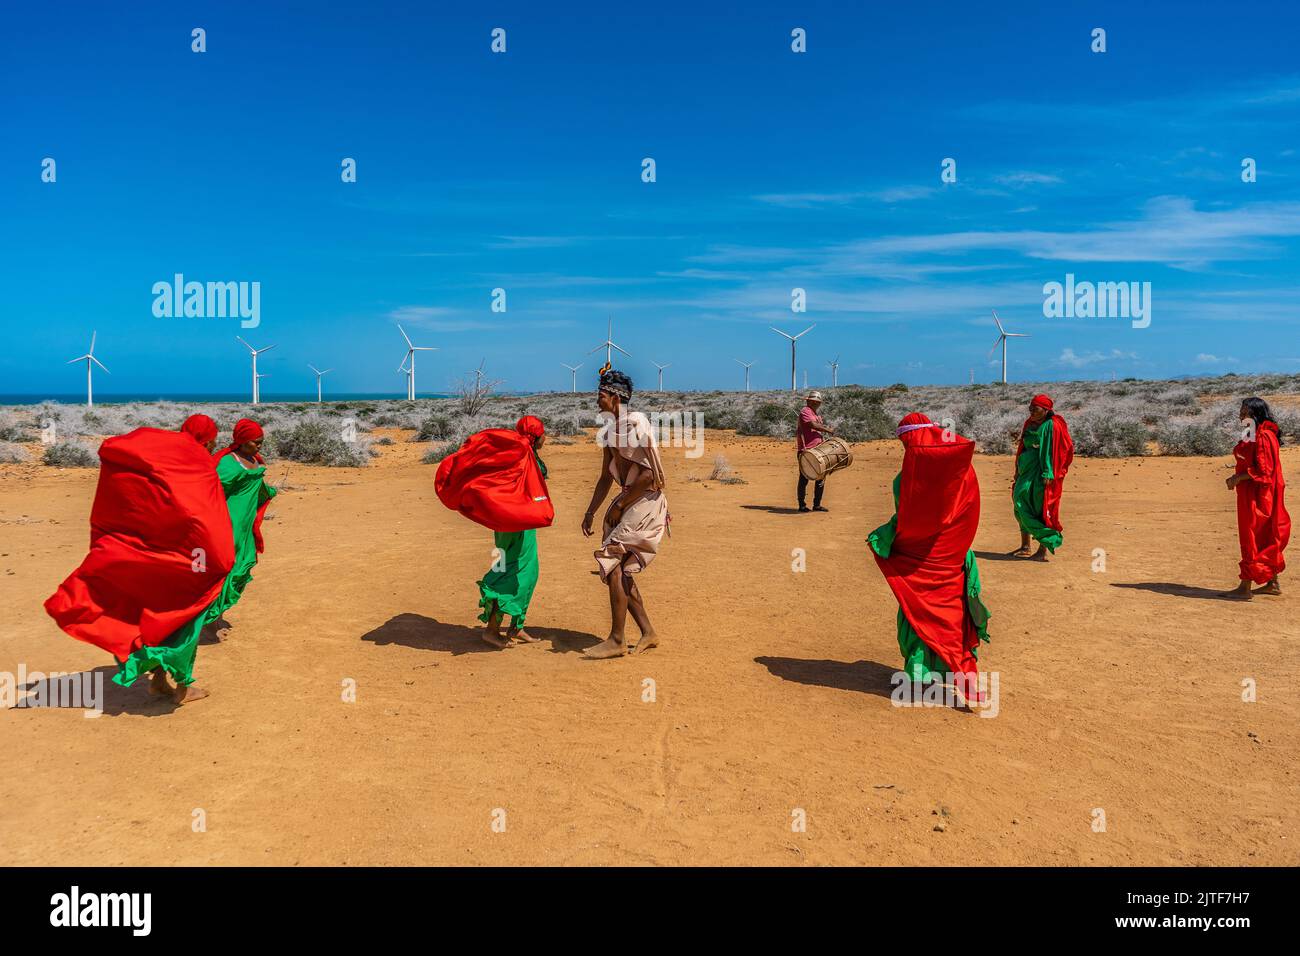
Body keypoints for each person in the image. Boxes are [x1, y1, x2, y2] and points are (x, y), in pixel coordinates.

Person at [44, 421, 236, 705]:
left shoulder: (164, 456)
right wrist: (219, 559)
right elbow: (203, 516)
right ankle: (182, 687)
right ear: (207, 441)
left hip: (154, 558)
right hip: (188, 560)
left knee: (157, 614)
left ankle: (159, 681)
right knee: (186, 619)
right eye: (212, 442)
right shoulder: (196, 463)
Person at [868, 413, 990, 705]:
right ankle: (945, 679)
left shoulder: (913, 475)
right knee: (950, 619)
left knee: (918, 615)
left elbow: (911, 522)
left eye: (904, 442)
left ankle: (939, 680)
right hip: (952, 557)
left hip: (923, 561)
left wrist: (883, 537)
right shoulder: (962, 470)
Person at [582, 369, 669, 658]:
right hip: (630, 498)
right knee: (619, 570)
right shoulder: (611, 430)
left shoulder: (633, 425)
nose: (597, 401)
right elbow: (606, 477)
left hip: (642, 500)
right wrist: (592, 511)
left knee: (613, 562)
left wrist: (619, 505)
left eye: (602, 396)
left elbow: (646, 474)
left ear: (616, 397)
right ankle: (648, 632)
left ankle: (617, 639)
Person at [478, 416, 549, 647]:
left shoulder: (514, 454)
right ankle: (492, 630)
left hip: (511, 522)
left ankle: (516, 627)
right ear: (536, 436)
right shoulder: (523, 457)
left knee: (524, 571)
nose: (546, 438)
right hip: (516, 524)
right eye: (543, 433)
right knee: (510, 572)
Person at [207, 418, 279, 634]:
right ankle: (211, 621)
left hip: (245, 527)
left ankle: (217, 616)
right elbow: (211, 490)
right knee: (224, 571)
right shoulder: (228, 463)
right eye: (255, 442)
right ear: (242, 441)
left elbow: (253, 484)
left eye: (261, 442)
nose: (259, 446)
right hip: (228, 525)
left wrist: (269, 492)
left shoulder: (255, 459)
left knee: (239, 568)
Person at [1225, 397, 1289, 599]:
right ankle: (1273, 583)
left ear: (1256, 414)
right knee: (1264, 534)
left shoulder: (1263, 436)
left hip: (1259, 496)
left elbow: (1264, 471)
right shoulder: (1252, 433)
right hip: (1253, 492)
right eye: (1241, 412)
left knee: (1253, 535)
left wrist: (1237, 478)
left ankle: (1245, 587)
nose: (1240, 416)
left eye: (1245, 413)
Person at [1010, 394, 1074, 560]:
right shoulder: (1029, 423)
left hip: (1041, 474)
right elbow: (1023, 447)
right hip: (1026, 471)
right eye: (1030, 407)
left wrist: (1048, 473)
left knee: (1040, 508)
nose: (1031, 411)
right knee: (1019, 504)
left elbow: (1050, 452)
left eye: (1035, 408)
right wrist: (1017, 468)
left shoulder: (1050, 426)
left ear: (1046, 410)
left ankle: (1044, 548)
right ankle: (1025, 546)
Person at [796, 390, 834, 512]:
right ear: (808, 401)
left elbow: (817, 427)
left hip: (818, 450)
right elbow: (813, 425)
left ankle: (816, 504)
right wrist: (827, 429)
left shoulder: (816, 414)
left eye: (818, 402)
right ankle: (802, 504)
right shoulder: (805, 412)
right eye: (814, 401)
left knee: (821, 477)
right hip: (806, 450)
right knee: (804, 477)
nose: (816, 403)